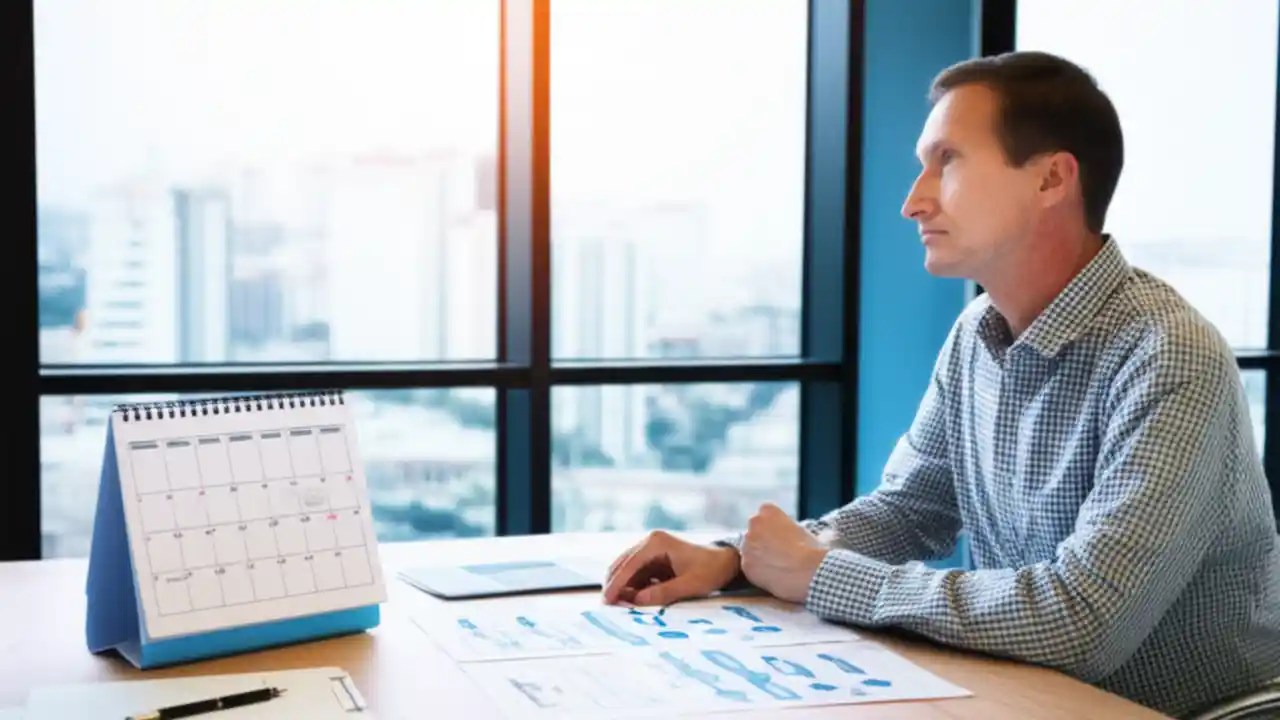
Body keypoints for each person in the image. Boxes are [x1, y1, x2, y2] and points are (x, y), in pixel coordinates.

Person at [602, 50, 1280, 718]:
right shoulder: (976, 334)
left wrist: (818, 574)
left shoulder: (1169, 357)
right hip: (1028, 698)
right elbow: (907, 512)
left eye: (947, 161)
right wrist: (736, 561)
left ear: (1051, 180)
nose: (912, 201)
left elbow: (1081, 622)